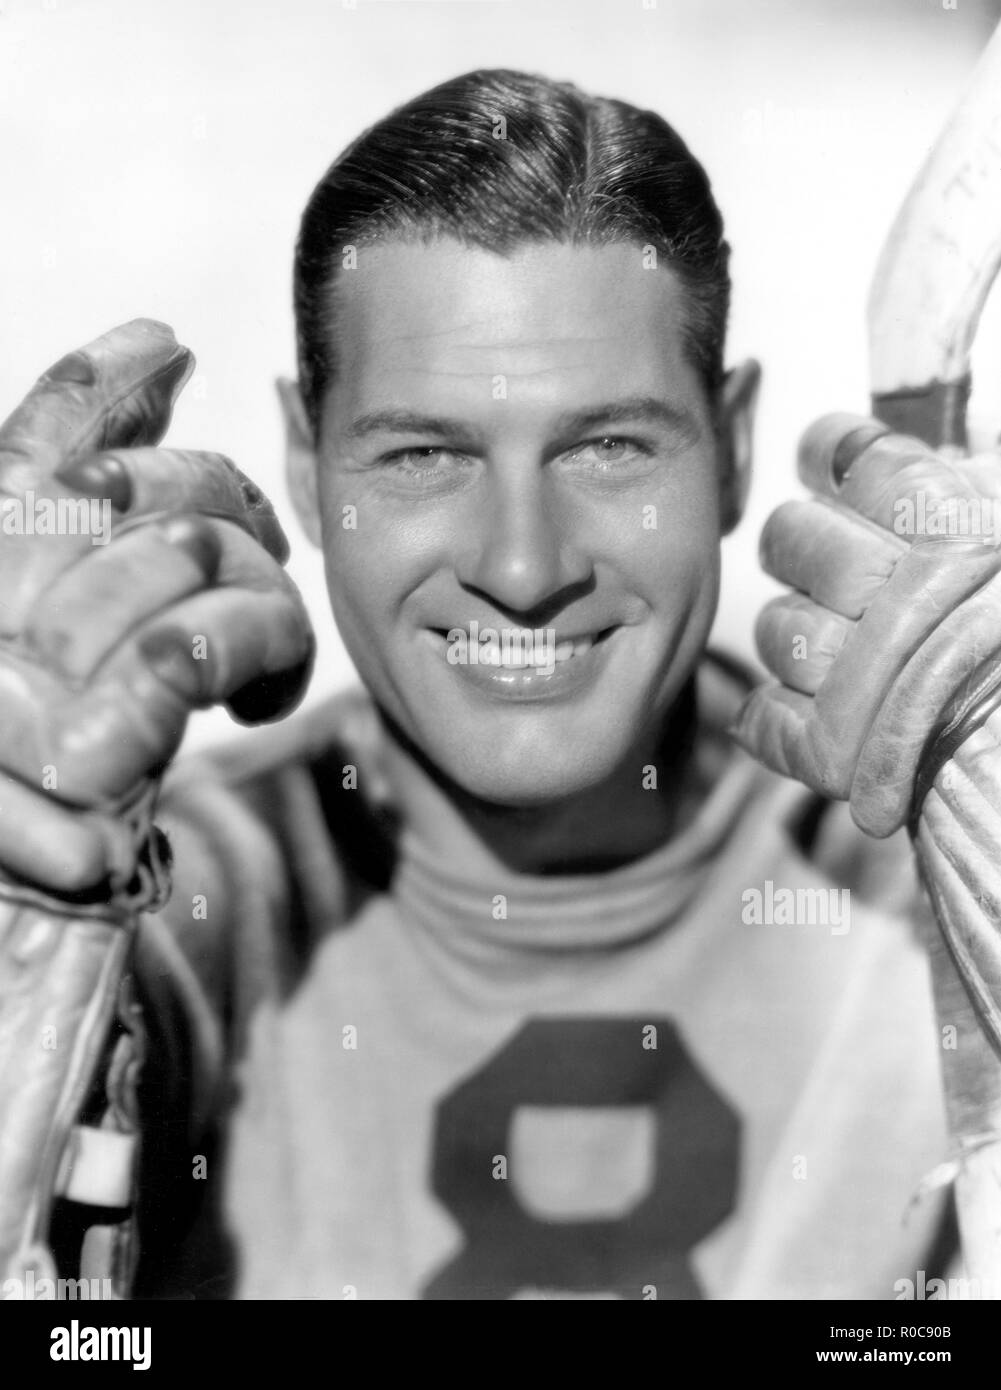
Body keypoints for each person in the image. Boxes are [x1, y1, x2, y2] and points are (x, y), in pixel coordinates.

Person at [1, 67, 999, 1301]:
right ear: (308, 469)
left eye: (607, 446)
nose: (520, 568)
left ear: (731, 447)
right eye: (422, 455)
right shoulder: (152, 906)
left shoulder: (936, 894)